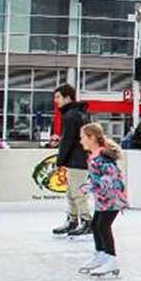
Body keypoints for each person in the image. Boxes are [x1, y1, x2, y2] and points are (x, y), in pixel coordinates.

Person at [77, 123, 127, 278]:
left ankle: (111, 260)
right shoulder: (94, 156)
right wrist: (89, 184)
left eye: (83, 137)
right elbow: (96, 176)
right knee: (96, 225)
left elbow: (110, 177)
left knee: (103, 226)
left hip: (113, 198)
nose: (81, 141)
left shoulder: (103, 157)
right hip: (103, 199)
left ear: (92, 138)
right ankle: (101, 255)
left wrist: (92, 186)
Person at [53, 84, 92, 238]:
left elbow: (67, 140)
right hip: (79, 159)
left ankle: (87, 221)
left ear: (67, 97)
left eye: (58, 97)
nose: (56, 100)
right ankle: (73, 220)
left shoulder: (71, 115)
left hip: (77, 160)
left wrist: (60, 161)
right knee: (71, 192)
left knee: (77, 193)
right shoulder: (81, 113)